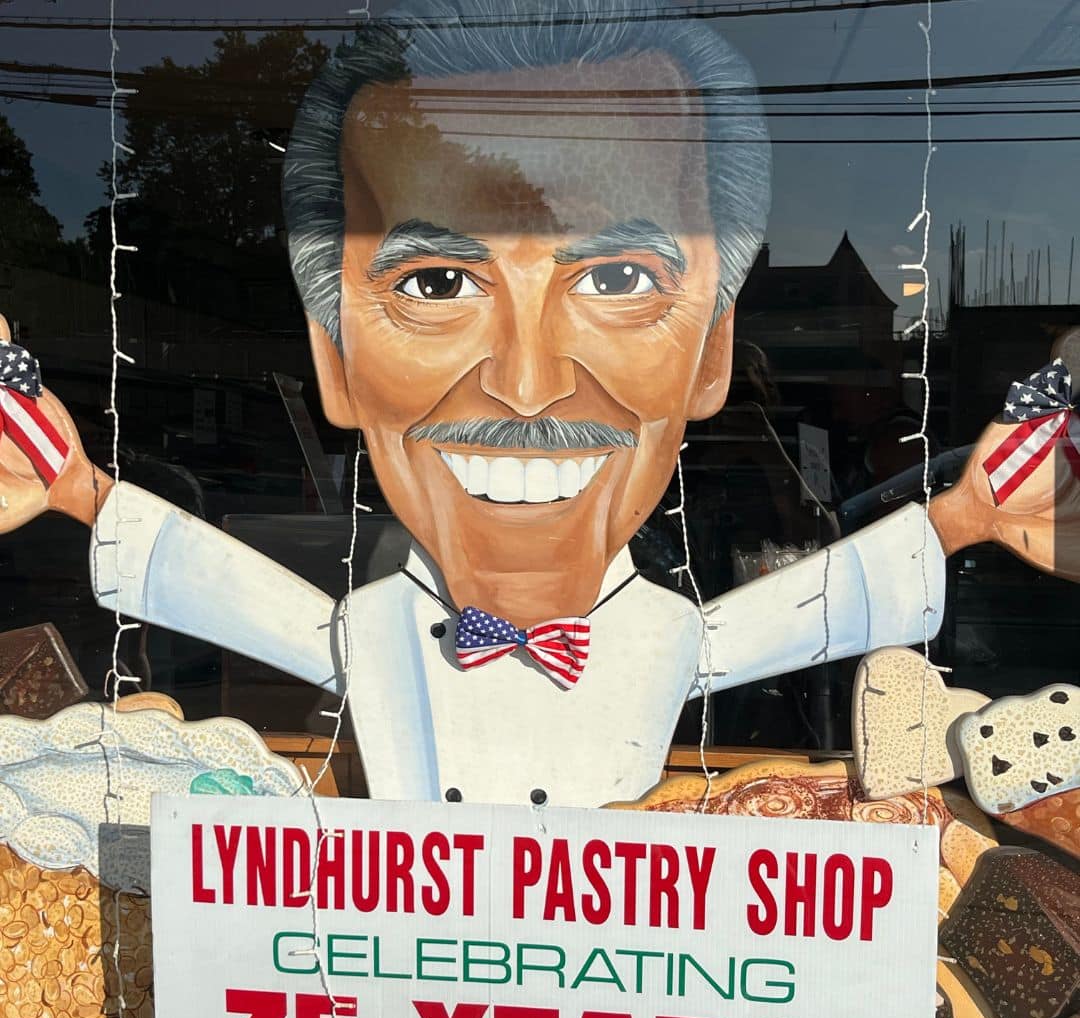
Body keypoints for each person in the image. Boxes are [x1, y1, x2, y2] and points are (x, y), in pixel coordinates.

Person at [1, 0, 1078, 808]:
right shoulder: (370, 629)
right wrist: (77, 490)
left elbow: (814, 609)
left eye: (617, 282)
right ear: (334, 358)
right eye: (434, 285)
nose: (525, 386)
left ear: (713, 356)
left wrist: (969, 515)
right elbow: (226, 593)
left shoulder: (667, 634)